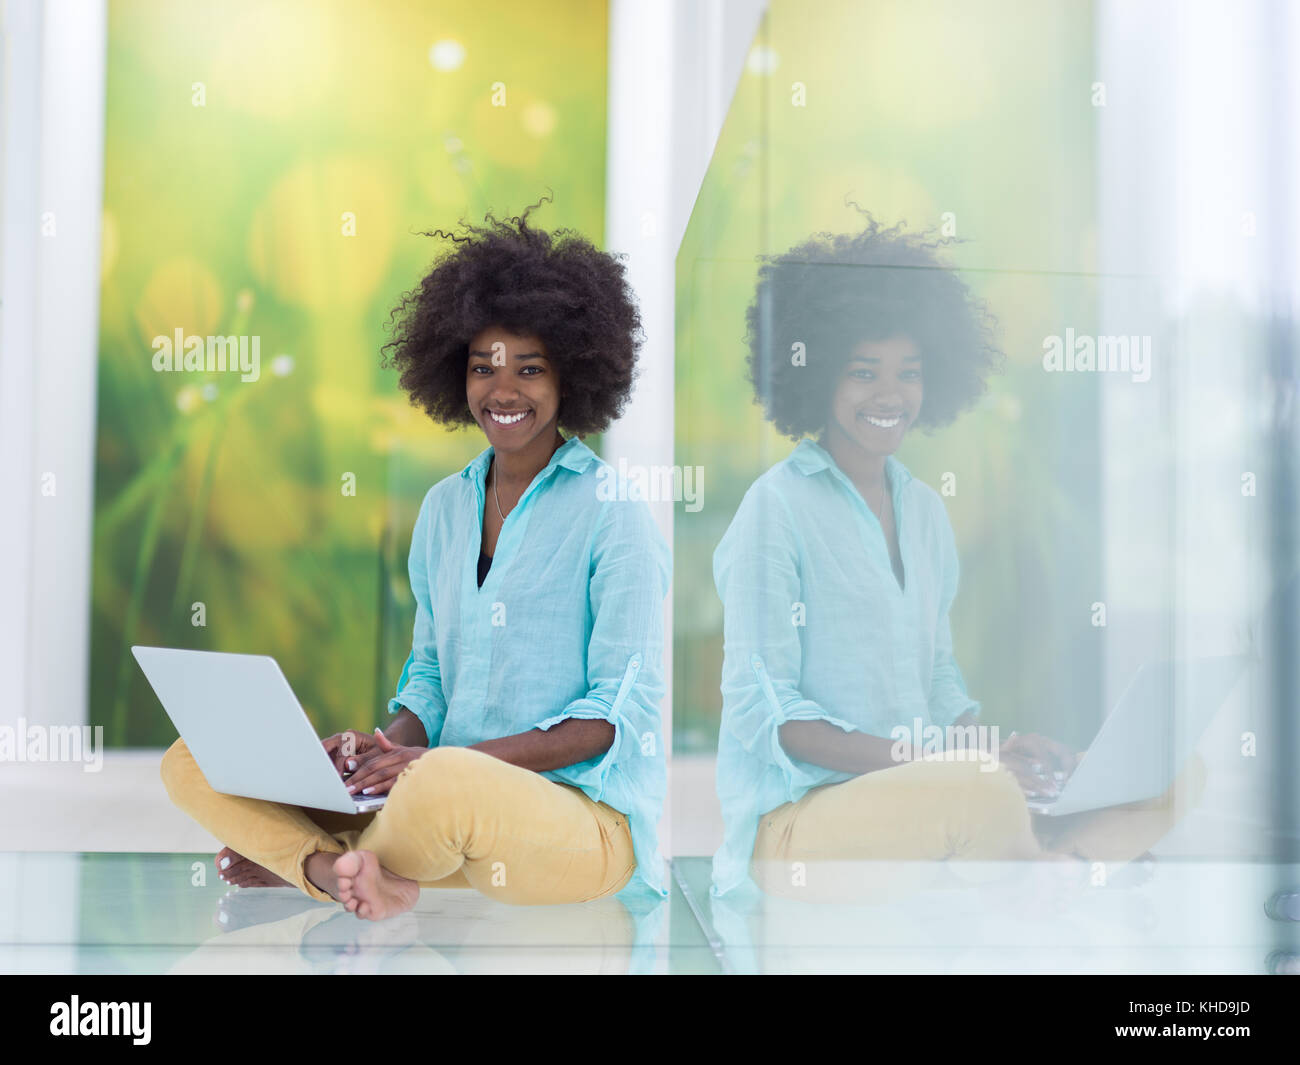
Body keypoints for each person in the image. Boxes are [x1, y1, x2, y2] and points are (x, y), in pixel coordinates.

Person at [162, 197, 671, 920]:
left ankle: (305, 859)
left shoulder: (615, 515)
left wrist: (431, 767)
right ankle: (335, 865)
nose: (503, 389)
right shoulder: (442, 510)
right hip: (441, 814)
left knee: (442, 787)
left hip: (578, 825)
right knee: (192, 754)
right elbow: (429, 683)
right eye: (483, 367)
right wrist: (378, 751)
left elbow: (606, 723)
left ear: (572, 377)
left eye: (530, 369)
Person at [710, 214, 1203, 903]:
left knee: (1174, 772)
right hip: (801, 826)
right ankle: (1048, 870)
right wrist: (947, 764)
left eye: (908, 373)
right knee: (978, 794)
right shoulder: (777, 508)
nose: (891, 394)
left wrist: (989, 749)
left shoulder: (924, 512)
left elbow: (938, 679)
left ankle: (1047, 858)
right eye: (863, 372)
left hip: (934, 793)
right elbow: (775, 721)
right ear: (817, 375)